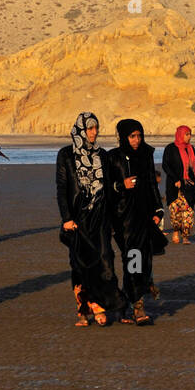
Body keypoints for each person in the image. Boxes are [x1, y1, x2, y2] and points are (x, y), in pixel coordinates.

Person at [57, 112, 125, 327]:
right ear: (81, 130)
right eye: (90, 128)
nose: (95, 132)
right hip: (78, 219)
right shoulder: (66, 155)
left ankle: (101, 305)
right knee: (80, 264)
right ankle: (84, 310)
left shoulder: (102, 155)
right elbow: (62, 189)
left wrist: (114, 218)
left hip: (101, 217)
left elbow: (110, 188)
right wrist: (66, 218)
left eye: (96, 128)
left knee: (105, 260)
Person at [108, 118, 167, 326]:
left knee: (140, 260)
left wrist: (158, 210)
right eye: (132, 136)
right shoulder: (112, 158)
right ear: (123, 137)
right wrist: (120, 185)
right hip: (123, 220)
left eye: (139, 136)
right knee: (132, 259)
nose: (136, 140)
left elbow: (151, 183)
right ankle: (137, 307)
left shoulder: (146, 155)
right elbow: (106, 188)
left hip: (144, 217)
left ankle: (129, 305)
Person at [162, 125, 195, 244]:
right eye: (187, 134)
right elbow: (165, 165)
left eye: (190, 134)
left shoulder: (191, 149)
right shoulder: (170, 148)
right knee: (175, 212)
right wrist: (175, 179)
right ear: (180, 135)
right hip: (174, 185)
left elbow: (194, 168)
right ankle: (176, 231)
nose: (189, 137)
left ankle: (186, 236)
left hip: (189, 185)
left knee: (188, 212)